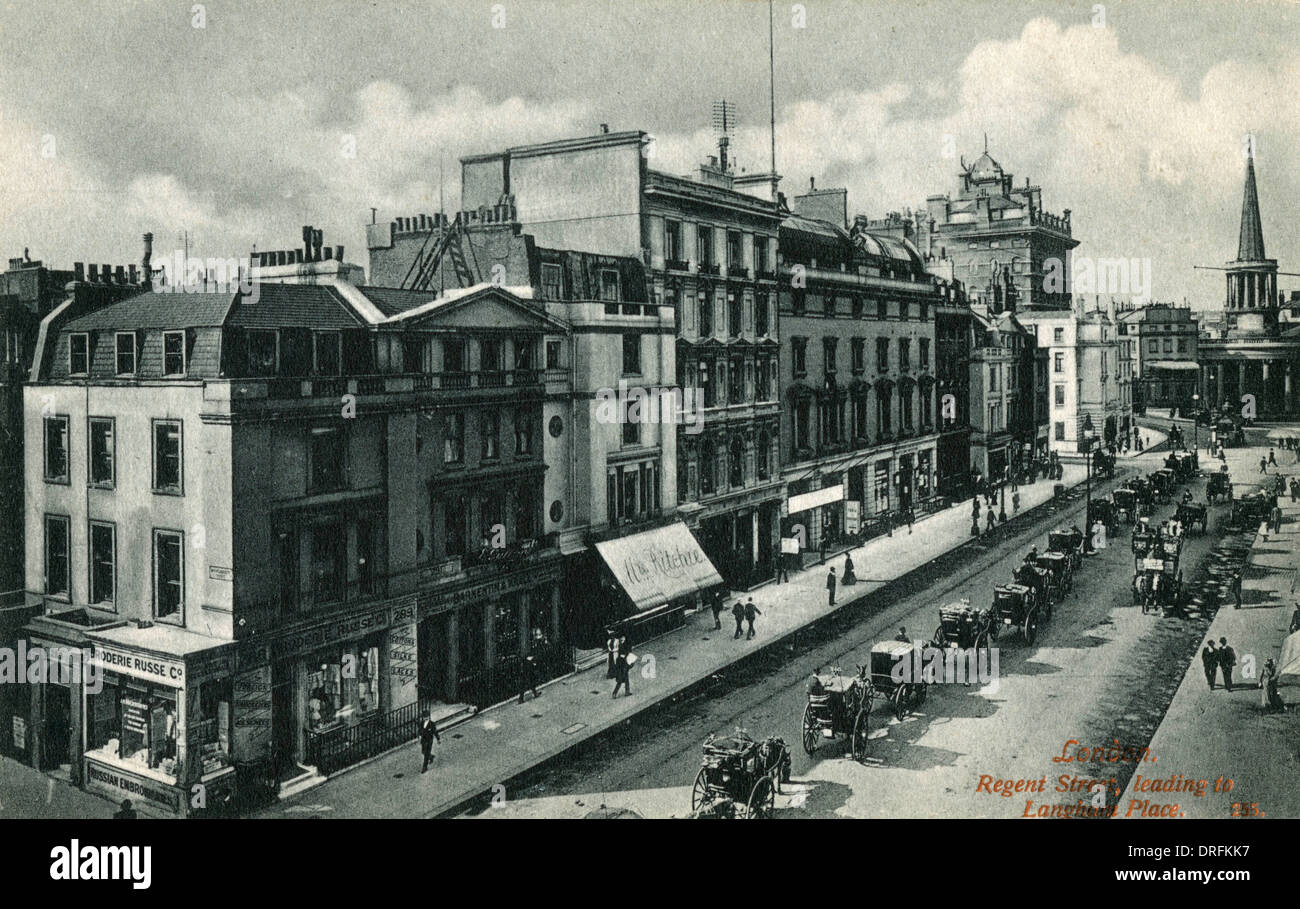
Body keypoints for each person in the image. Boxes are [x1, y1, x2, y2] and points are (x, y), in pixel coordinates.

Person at [418, 708, 441, 772]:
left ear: (429, 717)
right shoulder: (421, 723)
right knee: (423, 752)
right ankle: (431, 757)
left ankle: (424, 767)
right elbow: (420, 730)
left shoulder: (432, 724)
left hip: (429, 740)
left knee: (426, 753)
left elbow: (435, 732)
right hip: (423, 740)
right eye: (424, 717)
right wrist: (420, 736)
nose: (426, 718)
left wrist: (438, 739)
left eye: (427, 717)